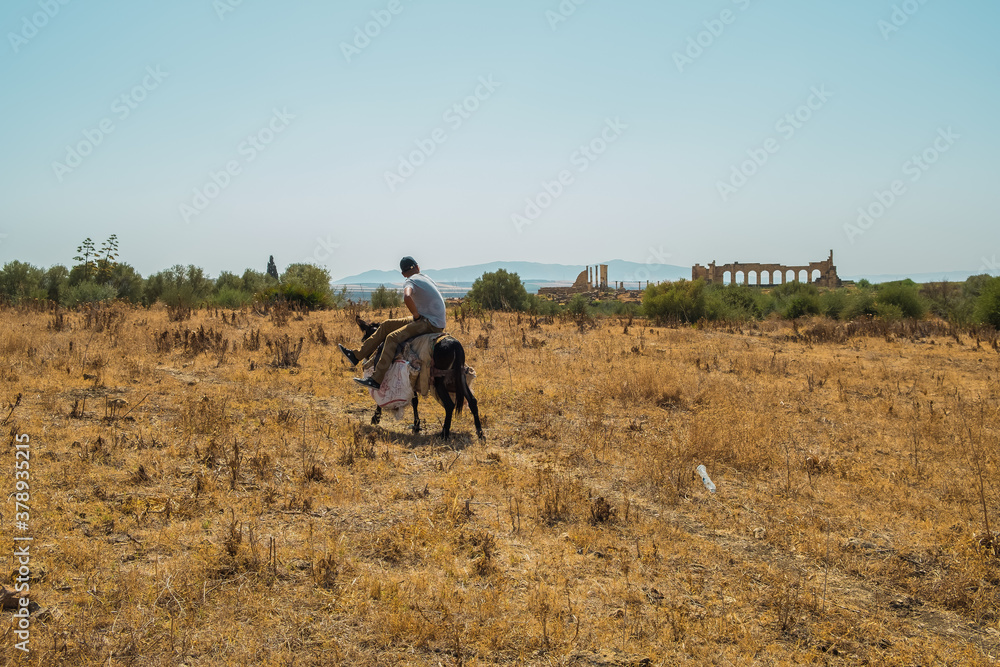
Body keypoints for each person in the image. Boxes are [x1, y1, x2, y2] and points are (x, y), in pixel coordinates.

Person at [339, 256, 446, 389]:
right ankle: (356, 355)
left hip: (430, 323)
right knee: (387, 325)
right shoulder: (425, 277)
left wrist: (416, 315)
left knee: (392, 338)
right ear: (418, 267)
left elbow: (407, 297)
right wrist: (418, 316)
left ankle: (376, 380)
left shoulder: (410, 281)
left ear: (402, 274)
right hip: (432, 319)